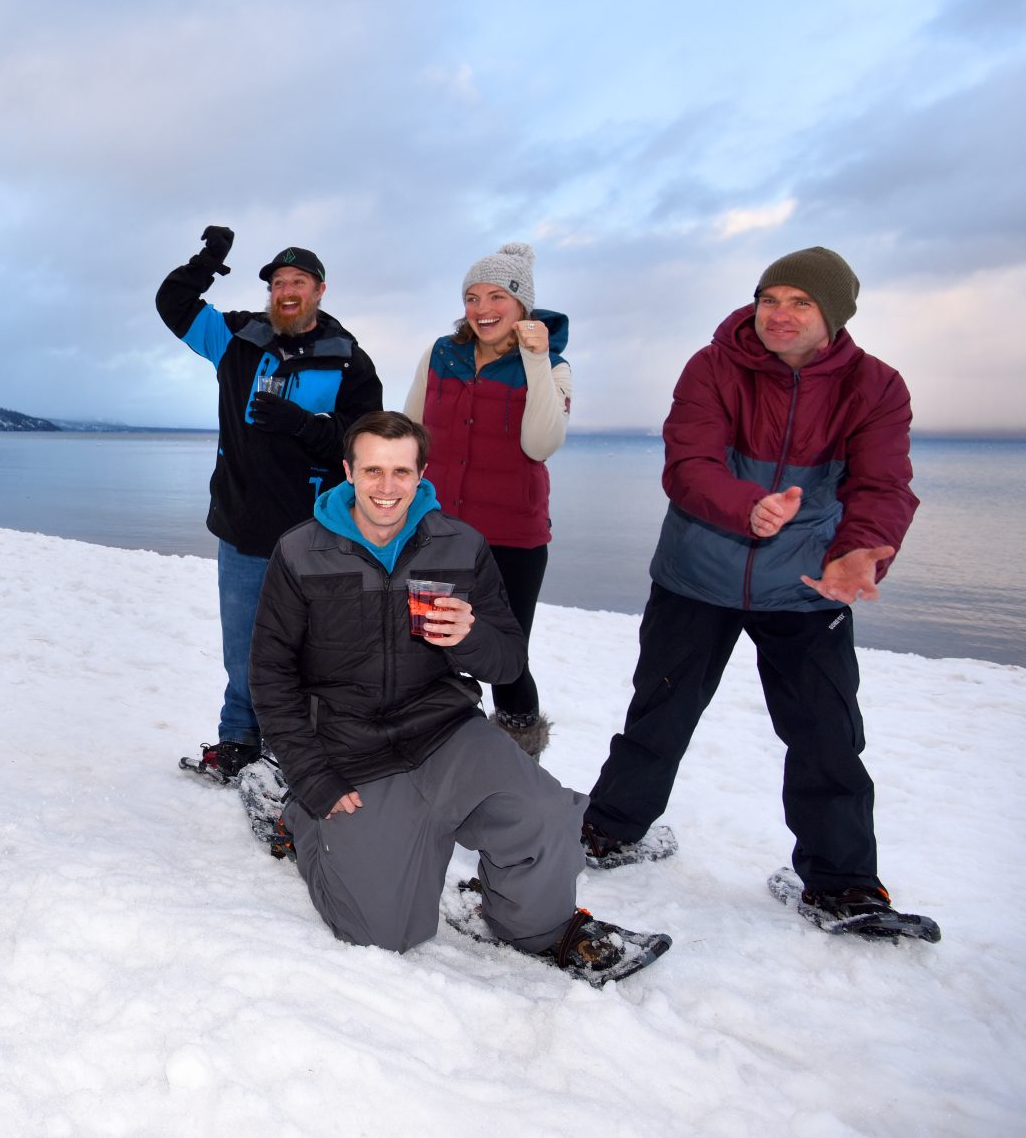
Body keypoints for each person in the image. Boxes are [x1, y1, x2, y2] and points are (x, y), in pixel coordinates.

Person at [249, 411, 670, 984]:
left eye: (401, 471)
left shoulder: (460, 544)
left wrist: (471, 637)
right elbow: (271, 677)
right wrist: (313, 778)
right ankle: (304, 823)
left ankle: (536, 928)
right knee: (384, 933)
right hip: (350, 746)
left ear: (422, 473)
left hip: (445, 731)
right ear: (347, 472)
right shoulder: (300, 552)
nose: (387, 487)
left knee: (543, 813)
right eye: (372, 470)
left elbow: (507, 661)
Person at [581, 248, 929, 934]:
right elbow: (689, 463)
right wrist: (747, 504)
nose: (780, 314)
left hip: (807, 584)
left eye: (800, 302)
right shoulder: (713, 366)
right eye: (771, 298)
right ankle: (609, 831)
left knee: (826, 735)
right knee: (660, 712)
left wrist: (862, 550)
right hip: (698, 572)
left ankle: (839, 885)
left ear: (833, 314)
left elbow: (882, 484)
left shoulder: (876, 386)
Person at [155, 228, 382, 781]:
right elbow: (173, 303)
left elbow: (367, 442)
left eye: (297, 281)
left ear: (319, 290)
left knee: (306, 648)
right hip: (242, 523)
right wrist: (208, 261)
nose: (286, 290)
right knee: (243, 646)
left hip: (316, 532)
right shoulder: (237, 337)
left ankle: (293, 746)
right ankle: (238, 740)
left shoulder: (348, 359)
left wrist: (305, 426)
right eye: (278, 282)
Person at [402, 242, 571, 757]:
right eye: (472, 297)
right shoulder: (441, 354)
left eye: (497, 296)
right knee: (428, 640)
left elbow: (540, 444)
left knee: (504, 655)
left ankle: (518, 761)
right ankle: (428, 751)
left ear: (523, 306)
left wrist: (537, 359)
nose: (482, 309)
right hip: (436, 533)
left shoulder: (553, 367)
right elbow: (410, 433)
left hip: (513, 541)